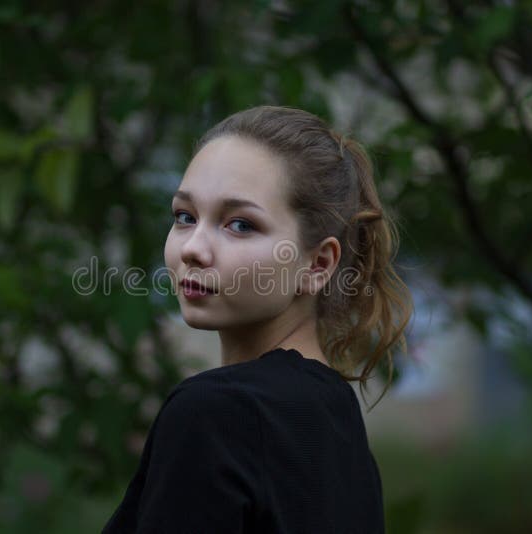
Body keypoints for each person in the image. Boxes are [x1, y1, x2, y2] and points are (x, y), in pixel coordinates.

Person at [102, 105, 413, 533]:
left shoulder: (214, 413)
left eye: (240, 225)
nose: (193, 247)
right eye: (184, 216)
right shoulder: (337, 417)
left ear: (318, 264)